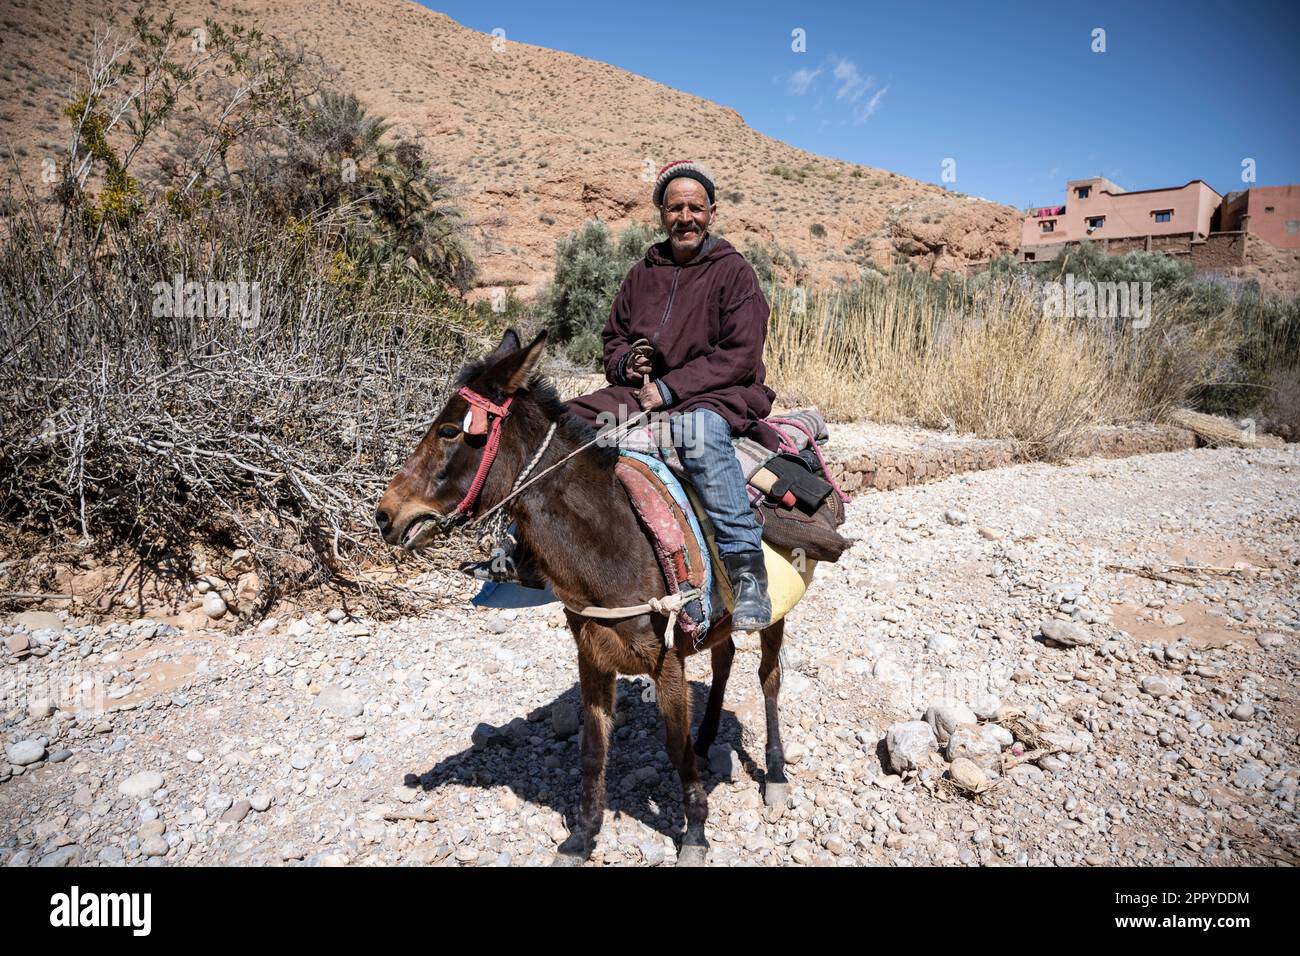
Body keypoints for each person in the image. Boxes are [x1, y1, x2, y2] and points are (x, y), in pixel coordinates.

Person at [469, 160, 782, 632]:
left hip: (719, 393)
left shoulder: (734, 273)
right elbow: (612, 337)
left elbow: (740, 354)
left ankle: (746, 571)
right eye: (675, 207)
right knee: (560, 425)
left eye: (695, 208)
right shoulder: (643, 273)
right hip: (640, 393)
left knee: (699, 435)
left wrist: (672, 387)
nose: (685, 217)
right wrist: (625, 363)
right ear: (660, 214)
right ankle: (524, 548)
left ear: (712, 213)